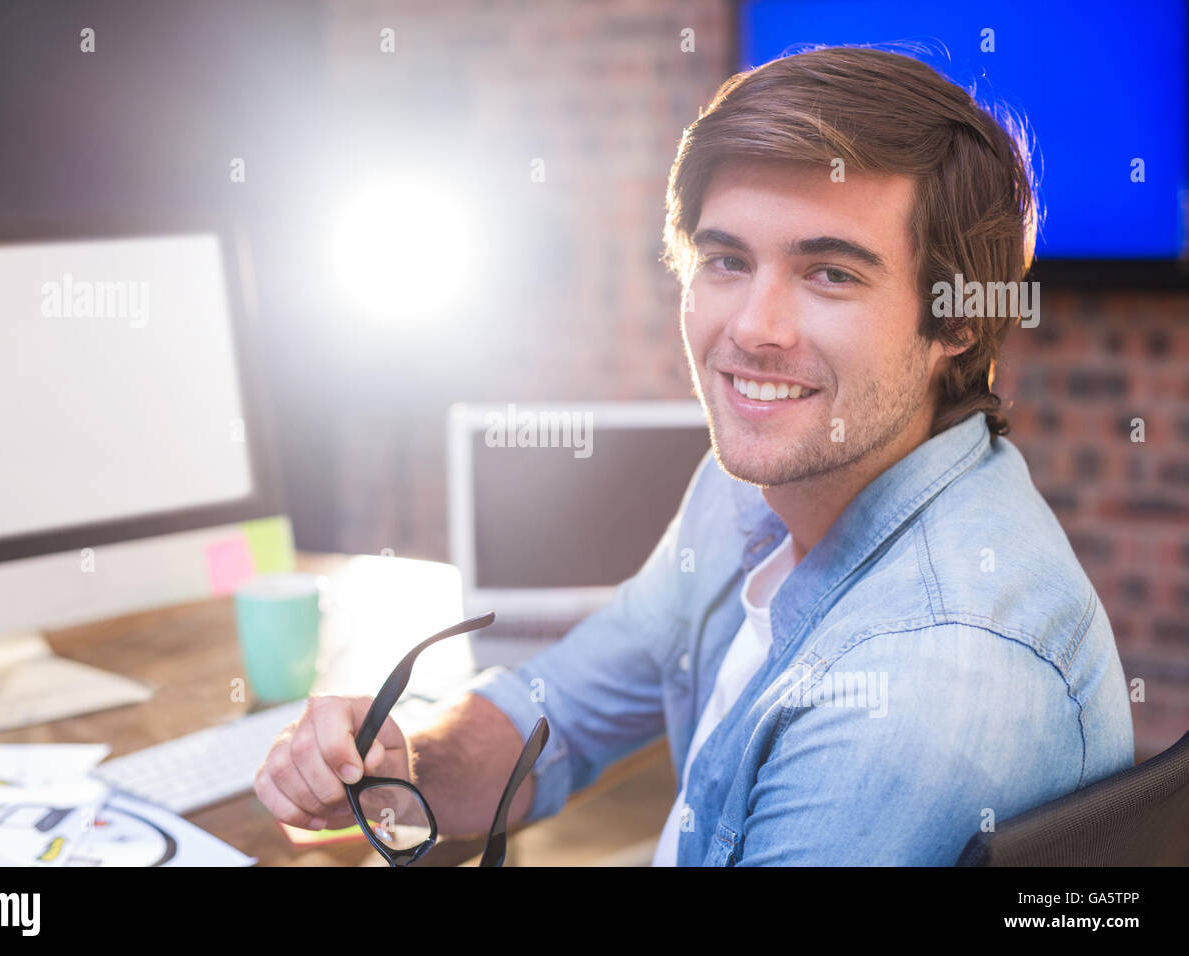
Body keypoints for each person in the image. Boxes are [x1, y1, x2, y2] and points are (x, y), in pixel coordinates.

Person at [254, 45, 1134, 865]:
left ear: (960, 320)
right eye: (725, 261)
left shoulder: (927, 683)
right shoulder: (746, 491)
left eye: (831, 273)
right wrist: (401, 768)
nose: (753, 327)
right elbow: (558, 711)